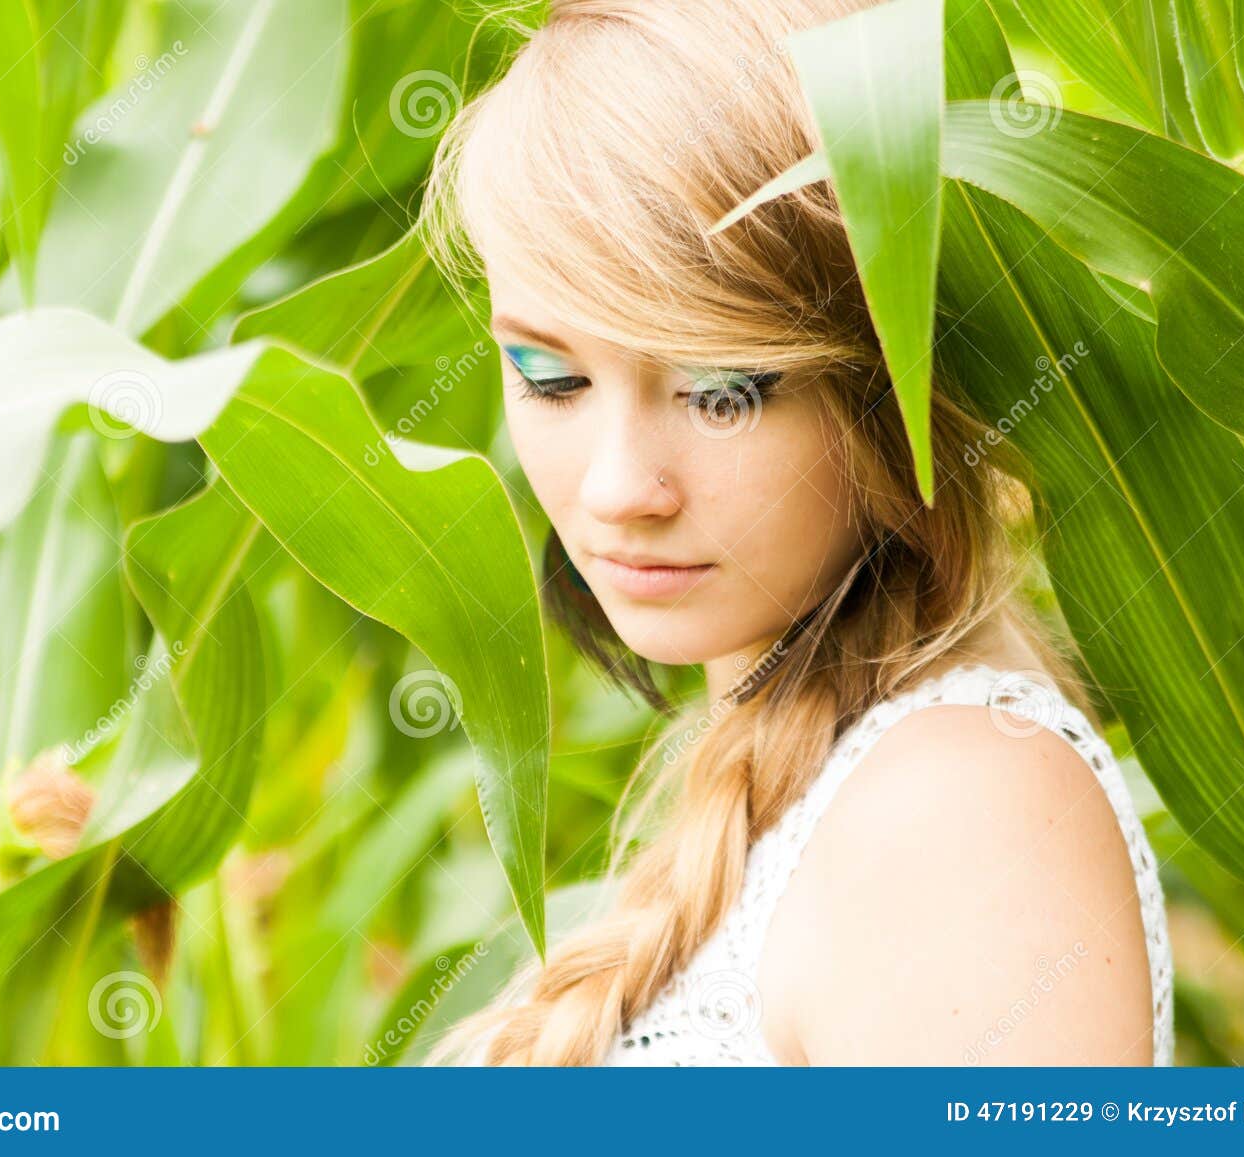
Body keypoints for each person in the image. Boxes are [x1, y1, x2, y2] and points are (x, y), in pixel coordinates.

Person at [417, 0, 1172, 1066]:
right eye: (552, 377)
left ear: (898, 378)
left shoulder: (960, 812)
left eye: (723, 391)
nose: (620, 485)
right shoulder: (835, 784)